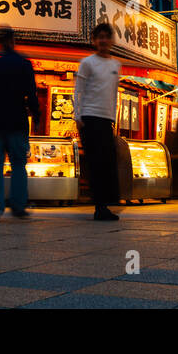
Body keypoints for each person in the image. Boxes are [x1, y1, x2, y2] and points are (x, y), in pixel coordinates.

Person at [0, 27, 39, 222]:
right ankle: (19, 206)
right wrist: (36, 116)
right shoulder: (24, 64)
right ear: (13, 40)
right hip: (17, 121)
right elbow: (31, 94)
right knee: (19, 165)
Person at [75, 22, 122, 221]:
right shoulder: (87, 62)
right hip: (89, 118)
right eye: (99, 37)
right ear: (94, 40)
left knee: (108, 162)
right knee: (96, 163)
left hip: (106, 120)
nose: (103, 40)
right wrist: (77, 116)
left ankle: (105, 204)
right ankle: (100, 207)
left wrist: (113, 118)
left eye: (106, 37)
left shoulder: (115, 65)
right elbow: (79, 90)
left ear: (111, 40)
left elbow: (113, 93)